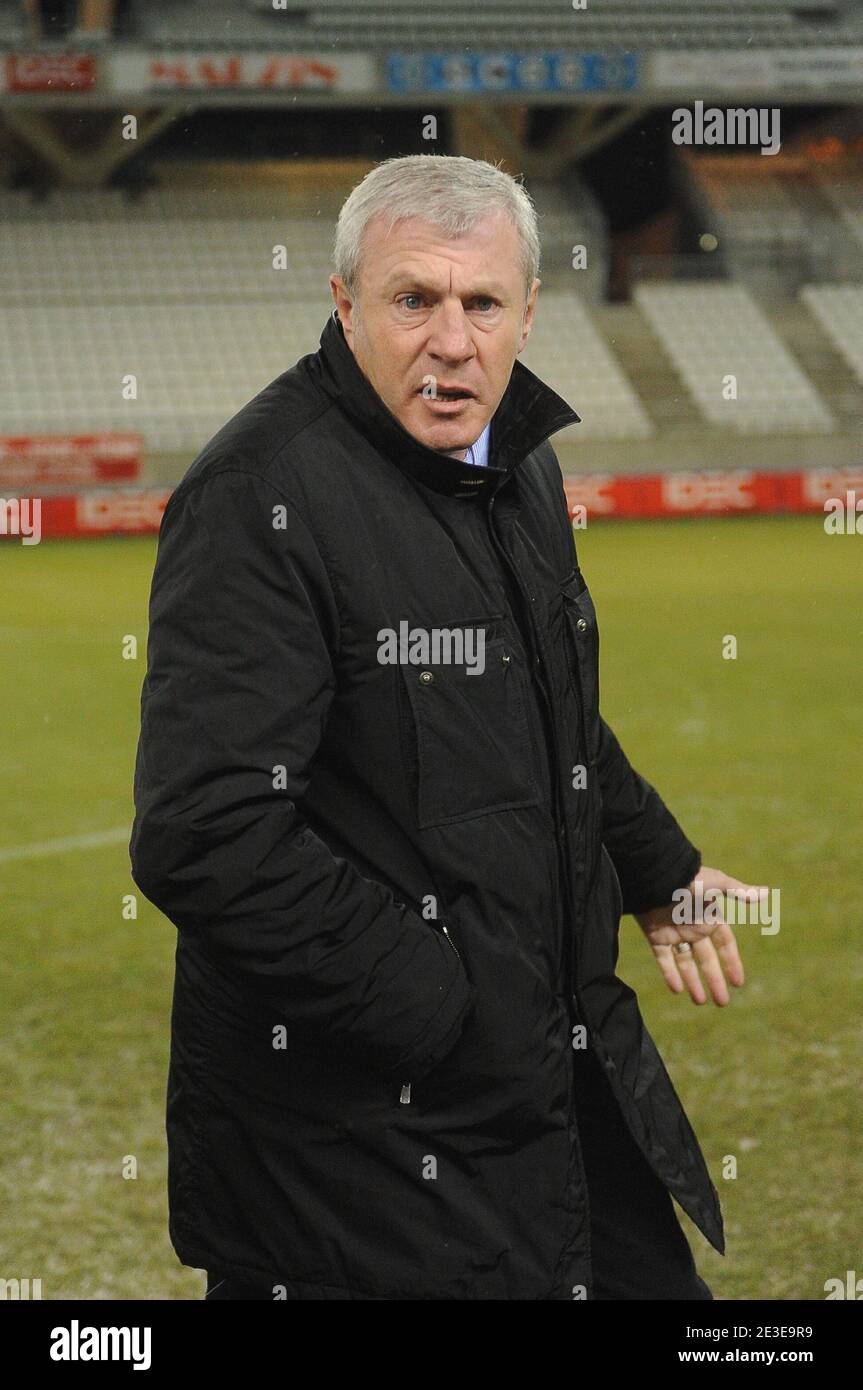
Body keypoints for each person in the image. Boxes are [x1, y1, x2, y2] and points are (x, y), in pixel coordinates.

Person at [130, 154, 765, 1301]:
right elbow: (207, 833)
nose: (451, 341)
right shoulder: (259, 495)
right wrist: (444, 1005)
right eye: (412, 299)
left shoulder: (518, 463)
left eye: (482, 303)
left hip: (549, 1099)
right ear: (344, 305)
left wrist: (656, 868)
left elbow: (553, 717)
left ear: (528, 313)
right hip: (357, 1164)